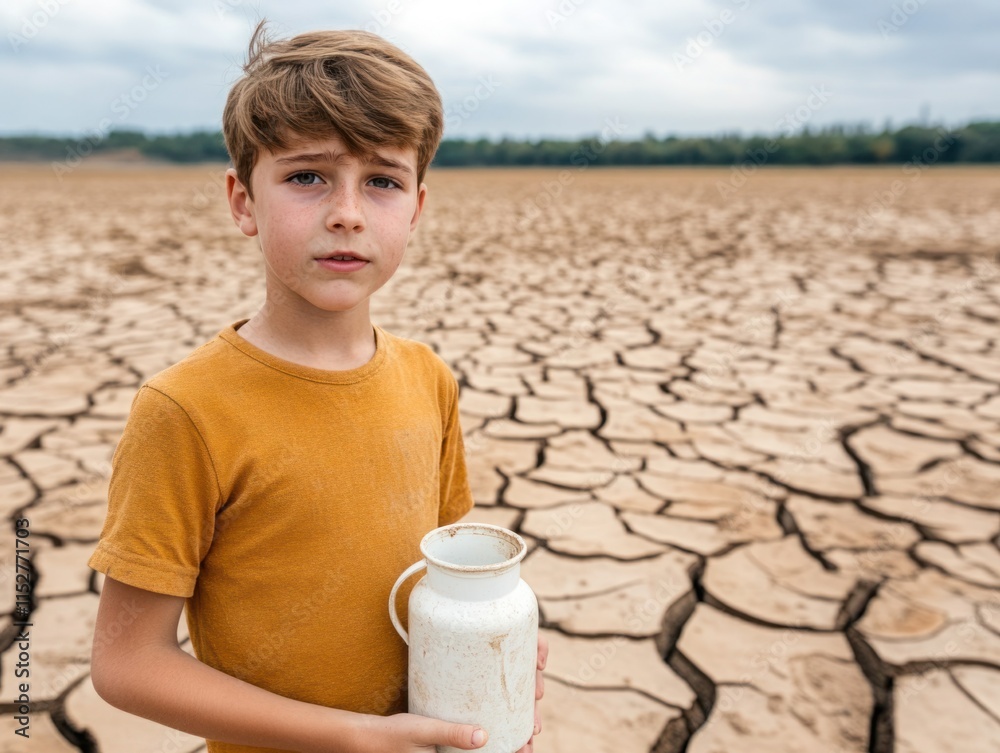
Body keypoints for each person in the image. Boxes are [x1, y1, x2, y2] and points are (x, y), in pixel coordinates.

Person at [87, 18, 547, 753]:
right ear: (243, 201)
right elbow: (126, 661)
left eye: (383, 181)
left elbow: (450, 582)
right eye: (307, 176)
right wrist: (350, 735)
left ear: (417, 208)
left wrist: (493, 659)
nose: (347, 212)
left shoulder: (429, 379)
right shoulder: (185, 411)